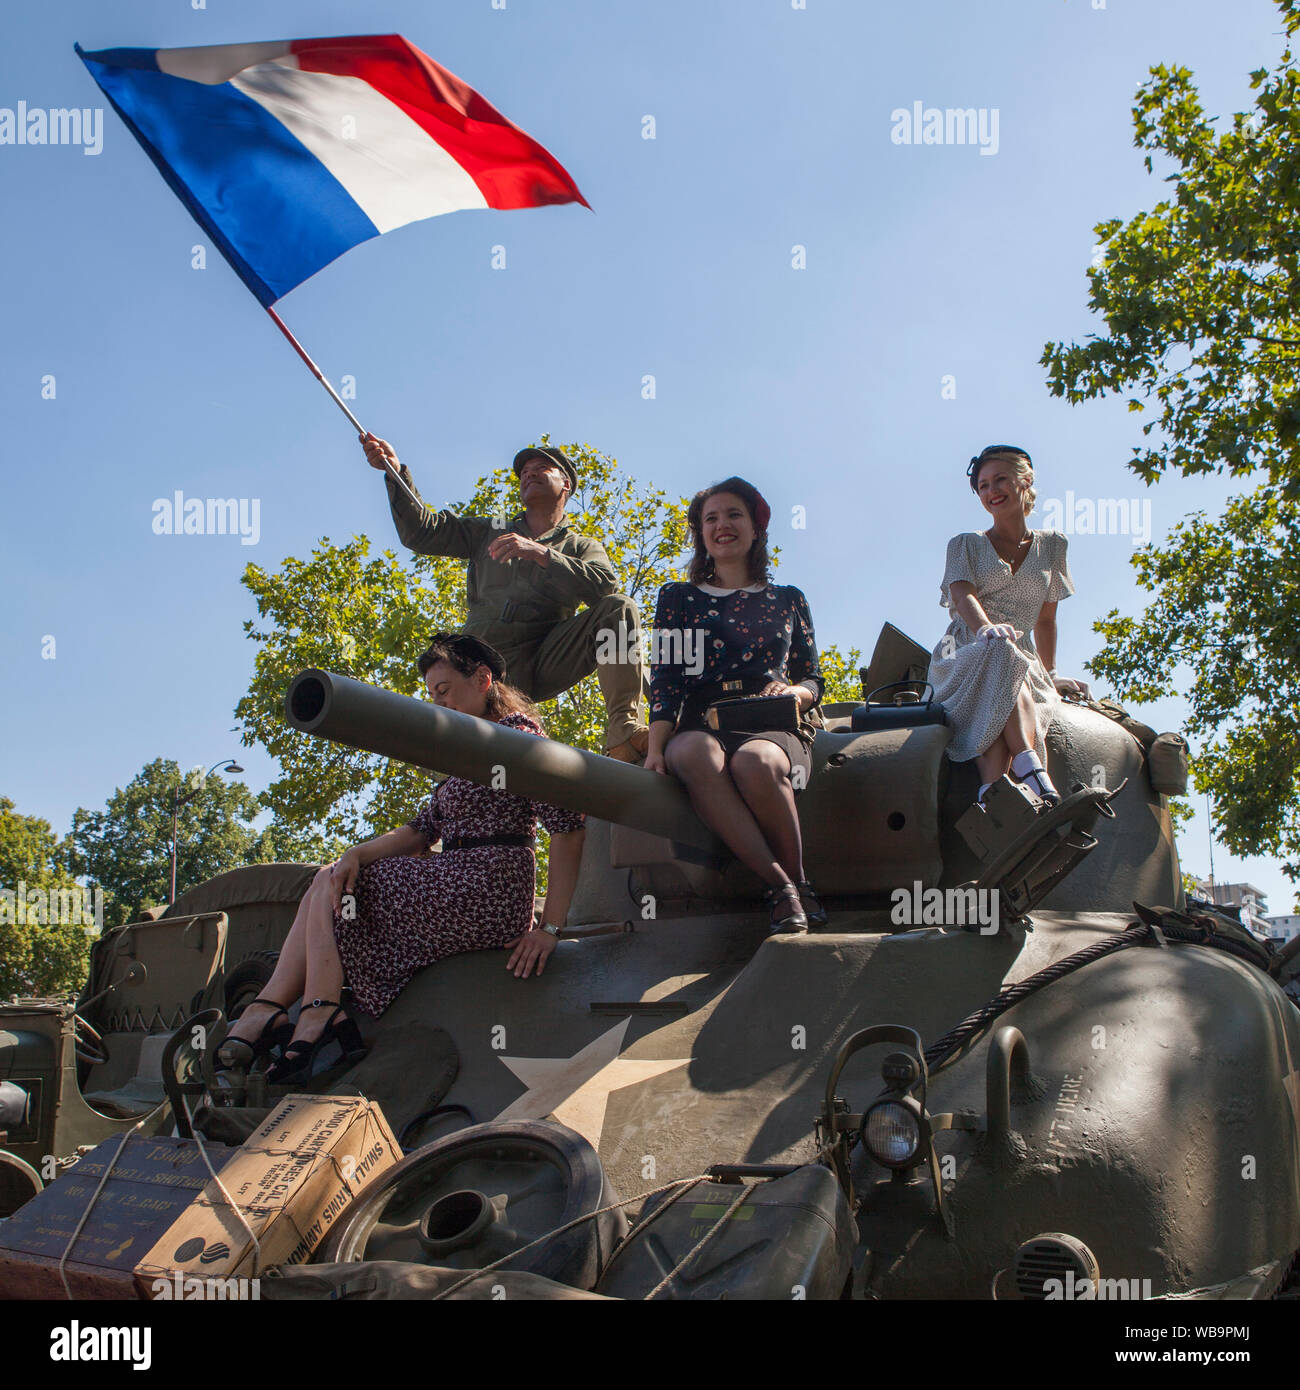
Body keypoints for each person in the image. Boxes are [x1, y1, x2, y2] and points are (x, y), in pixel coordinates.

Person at [215, 634, 586, 1083]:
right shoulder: (466, 753)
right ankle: (274, 1008)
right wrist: (355, 853)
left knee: (345, 886)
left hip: (489, 889)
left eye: (444, 690)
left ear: (483, 679)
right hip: (452, 878)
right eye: (432, 695)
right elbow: (421, 830)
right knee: (330, 876)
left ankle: (316, 1011)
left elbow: (567, 828)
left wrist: (550, 928)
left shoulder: (517, 737)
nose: (438, 703)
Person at [362, 433, 648, 762]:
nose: (529, 474)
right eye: (524, 471)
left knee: (619, 608)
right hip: (478, 657)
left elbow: (604, 589)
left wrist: (543, 555)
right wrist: (395, 471)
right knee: (468, 754)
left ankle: (624, 734)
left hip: (539, 659)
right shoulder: (492, 529)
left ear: (565, 484)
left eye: (541, 468)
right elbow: (422, 532)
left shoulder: (581, 546)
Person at [645, 476, 826, 934]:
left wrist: (797, 693)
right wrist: (655, 750)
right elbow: (666, 680)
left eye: (733, 515)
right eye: (710, 519)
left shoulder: (788, 599)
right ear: (700, 534)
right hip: (701, 720)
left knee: (756, 763)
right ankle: (785, 888)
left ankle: (797, 882)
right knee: (693, 753)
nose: (721, 525)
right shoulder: (678, 598)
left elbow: (812, 676)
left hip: (772, 719)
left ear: (756, 527)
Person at [928, 444, 1089, 811]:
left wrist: (1051, 673)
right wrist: (986, 629)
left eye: (1000, 479)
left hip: (1022, 655)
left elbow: (1046, 619)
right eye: (983, 486)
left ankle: (991, 794)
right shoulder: (965, 544)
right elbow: (963, 594)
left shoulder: (1053, 546)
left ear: (1025, 480)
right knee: (1000, 651)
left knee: (1007, 668)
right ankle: (1030, 768)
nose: (991, 491)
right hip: (966, 651)